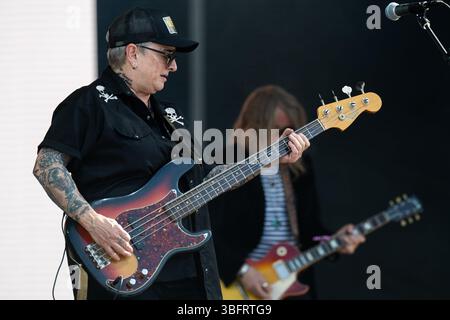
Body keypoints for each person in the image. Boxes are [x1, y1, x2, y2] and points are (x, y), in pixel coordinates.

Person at [32, 8, 310, 300]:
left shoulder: (170, 116)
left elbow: (205, 182)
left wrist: (270, 157)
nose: (174, 66)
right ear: (132, 54)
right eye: (167, 54)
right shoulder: (89, 104)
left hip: (189, 272)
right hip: (127, 270)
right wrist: (93, 222)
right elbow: (47, 164)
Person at [209, 85, 366, 300]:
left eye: (292, 128)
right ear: (255, 126)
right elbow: (207, 228)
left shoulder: (300, 167)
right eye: (275, 128)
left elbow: (310, 229)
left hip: (292, 282)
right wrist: (241, 271)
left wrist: (333, 240)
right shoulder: (229, 161)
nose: (286, 136)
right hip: (240, 286)